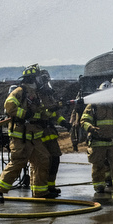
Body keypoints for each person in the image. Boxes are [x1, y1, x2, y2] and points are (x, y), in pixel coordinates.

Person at [0, 65, 51, 202]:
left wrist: (44, 117)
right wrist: (25, 114)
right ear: (33, 78)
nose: (40, 80)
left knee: (43, 160)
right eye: (38, 77)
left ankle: (40, 192)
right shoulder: (20, 91)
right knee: (17, 163)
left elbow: (40, 111)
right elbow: (9, 106)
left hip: (34, 137)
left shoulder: (35, 94)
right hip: (21, 137)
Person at [36, 69, 67, 197]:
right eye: (45, 81)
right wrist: (53, 108)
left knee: (55, 159)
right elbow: (41, 113)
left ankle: (50, 186)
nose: (47, 83)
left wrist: (65, 123)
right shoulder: (35, 96)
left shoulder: (48, 95)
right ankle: (40, 189)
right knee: (43, 162)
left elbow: (55, 115)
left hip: (50, 133)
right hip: (39, 133)